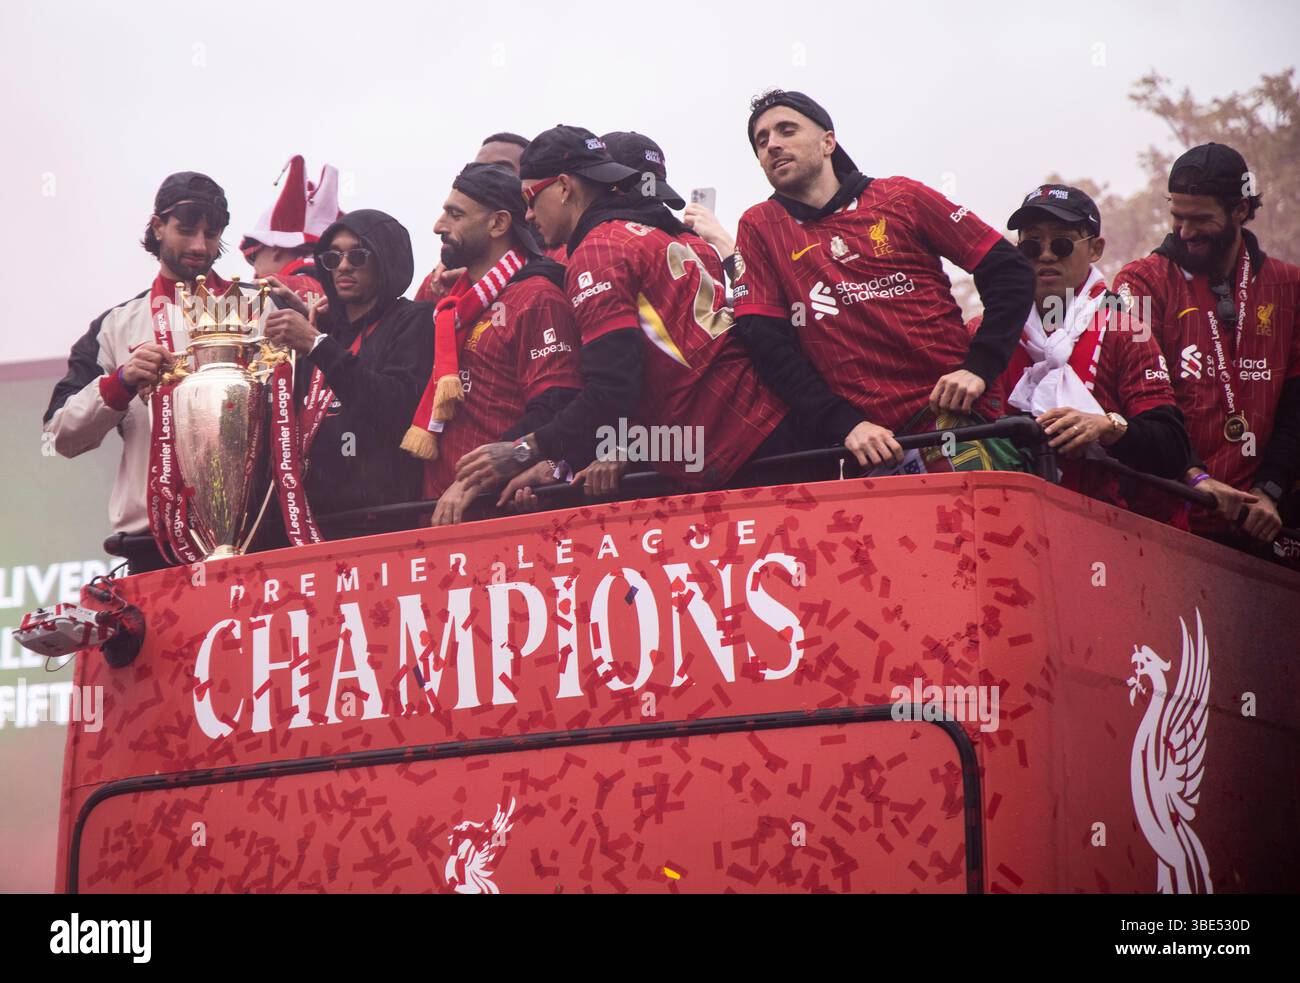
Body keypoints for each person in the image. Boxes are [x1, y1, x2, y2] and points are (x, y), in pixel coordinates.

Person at [455, 125, 797, 500]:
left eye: (530, 199)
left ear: (566, 188)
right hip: (762, 430)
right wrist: (611, 448)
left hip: (730, 448)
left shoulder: (598, 250)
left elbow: (612, 387)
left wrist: (524, 450)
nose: (528, 215)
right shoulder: (686, 240)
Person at [731, 89, 1035, 474]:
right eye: (761, 141)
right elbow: (766, 342)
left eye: (786, 130)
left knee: (986, 534)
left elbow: (1010, 271)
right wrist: (844, 423)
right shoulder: (759, 226)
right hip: (865, 446)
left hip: (954, 422)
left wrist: (979, 366)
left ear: (828, 142)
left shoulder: (901, 197)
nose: (773, 144)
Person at [43, 171, 264, 574]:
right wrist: (119, 384)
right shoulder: (116, 325)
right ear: (157, 226)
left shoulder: (260, 309)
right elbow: (62, 436)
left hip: (255, 537)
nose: (200, 245)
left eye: (211, 234)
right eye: (186, 230)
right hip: (153, 548)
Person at [1114, 143, 1300, 554]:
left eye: (1200, 219)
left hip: (1263, 525)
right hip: (1169, 519)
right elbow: (1138, 400)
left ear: (1240, 210)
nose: (1185, 232)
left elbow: (1296, 407)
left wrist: (1270, 490)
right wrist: (1194, 477)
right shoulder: (1141, 282)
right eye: (1177, 216)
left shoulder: (1289, 287)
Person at [975, 185, 1192, 518]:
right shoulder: (981, 332)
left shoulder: (1126, 331)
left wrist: (1107, 428)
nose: (1046, 255)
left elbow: (1171, 448)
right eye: (1032, 245)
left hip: (1102, 531)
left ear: (1095, 248)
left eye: (1061, 243)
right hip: (1003, 525)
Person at [400, 163, 581, 525]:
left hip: (496, 520)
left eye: (455, 214)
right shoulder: (454, 304)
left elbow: (555, 407)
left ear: (498, 224)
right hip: (442, 516)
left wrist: (474, 480)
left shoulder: (537, 297)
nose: (438, 226)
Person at [258, 209, 434, 540]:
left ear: (386, 258)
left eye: (357, 254)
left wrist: (316, 344)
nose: (343, 265)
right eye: (332, 256)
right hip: (308, 525)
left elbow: (396, 407)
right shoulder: (325, 333)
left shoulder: (415, 319)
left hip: (382, 526)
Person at [415, 133, 533, 304]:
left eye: (501, 168)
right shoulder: (439, 280)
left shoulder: (555, 266)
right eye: (477, 169)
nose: (483, 177)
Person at [239, 155, 341, 295]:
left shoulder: (267, 288)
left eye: (253, 257)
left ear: (276, 249)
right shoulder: (345, 294)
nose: (254, 268)